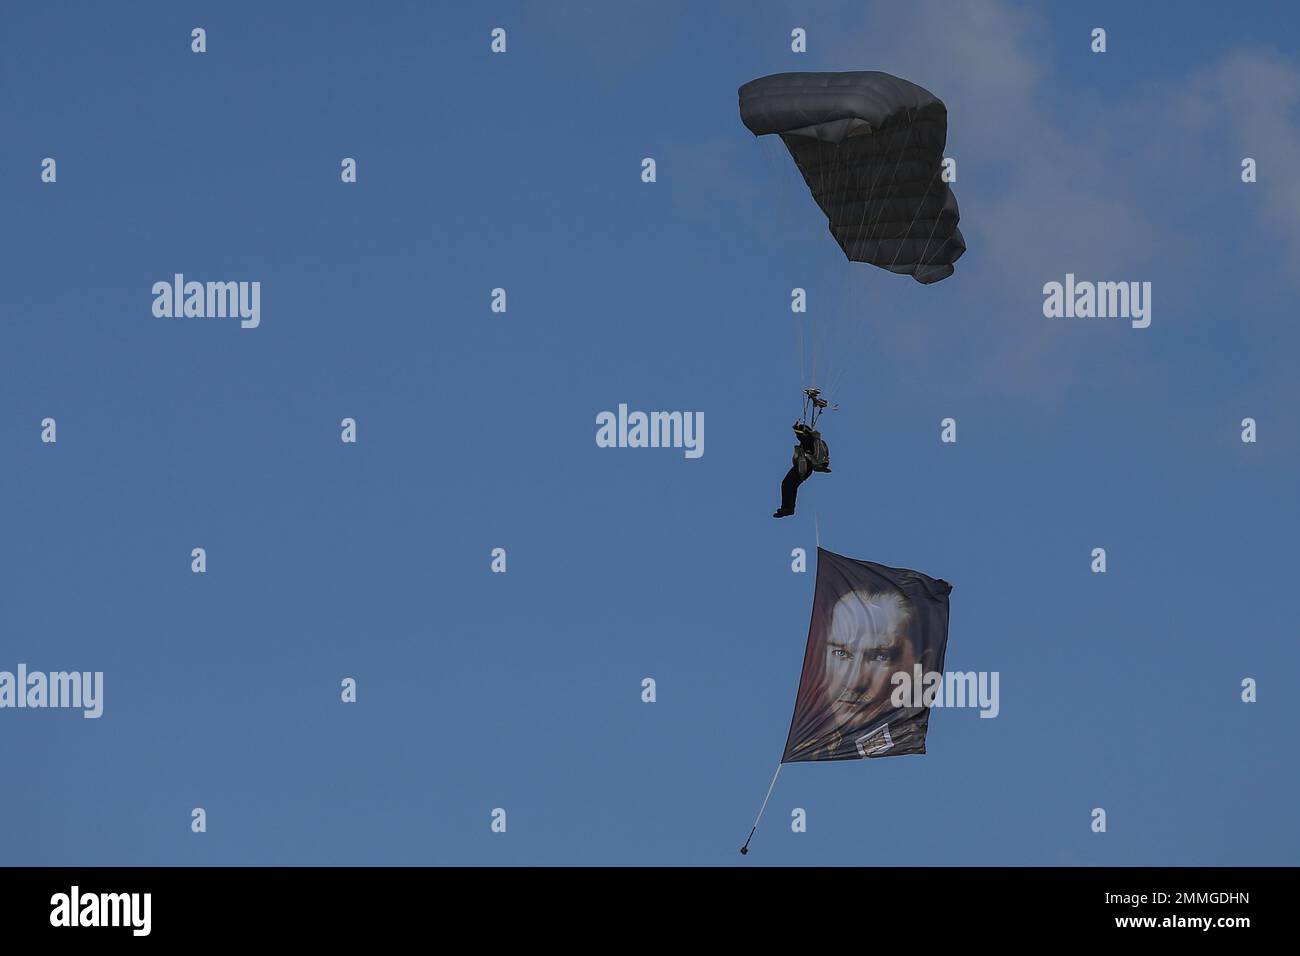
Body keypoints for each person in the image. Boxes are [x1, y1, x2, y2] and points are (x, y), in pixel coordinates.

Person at [773, 420, 830, 518]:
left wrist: (797, 428)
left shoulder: (808, 440)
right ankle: (788, 508)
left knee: (787, 483)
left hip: (804, 466)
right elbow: (802, 436)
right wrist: (797, 428)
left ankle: (788, 508)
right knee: (791, 484)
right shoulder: (811, 440)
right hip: (805, 467)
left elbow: (802, 436)